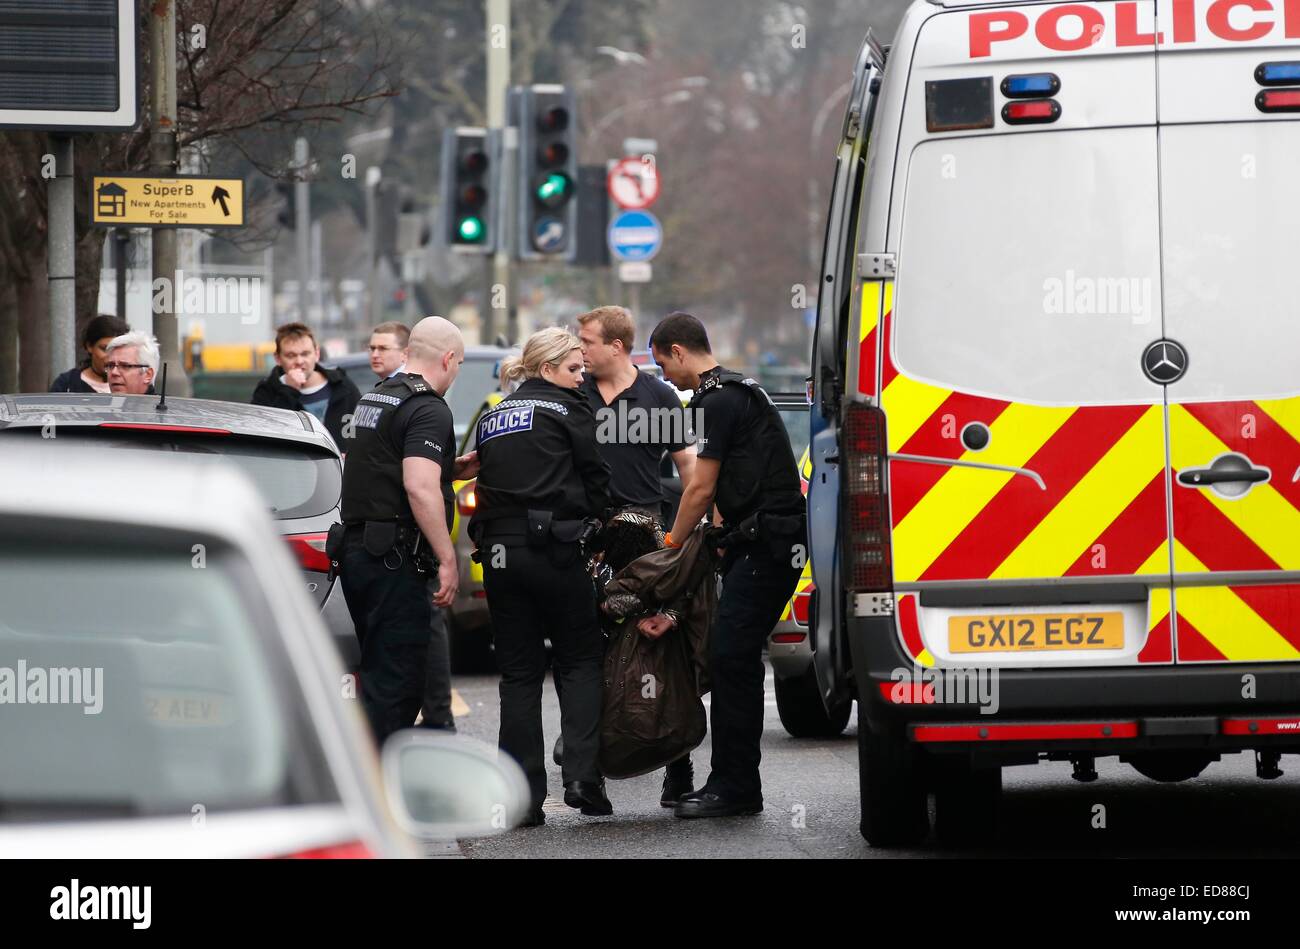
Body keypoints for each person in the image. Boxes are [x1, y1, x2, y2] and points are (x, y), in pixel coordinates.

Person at [650, 311, 805, 819]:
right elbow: (736, 480)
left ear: (678, 350)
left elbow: (701, 484)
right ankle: (735, 783)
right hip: (759, 544)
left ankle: (735, 787)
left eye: (663, 365)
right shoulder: (740, 391)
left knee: (732, 658)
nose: (666, 378)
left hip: (767, 549)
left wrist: (672, 543)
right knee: (730, 658)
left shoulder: (719, 399)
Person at [469, 327, 613, 828]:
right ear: (548, 369)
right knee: (578, 661)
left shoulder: (492, 416)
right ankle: (581, 777)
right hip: (557, 550)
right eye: (575, 369)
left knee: (519, 674)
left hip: (501, 556)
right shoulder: (570, 411)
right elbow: (598, 481)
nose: (581, 378)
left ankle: (524, 798)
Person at [575, 305, 699, 806]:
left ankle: (679, 769)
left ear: (617, 347)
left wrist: (690, 537)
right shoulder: (574, 393)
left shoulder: (658, 394)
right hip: (587, 537)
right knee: (590, 651)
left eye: (587, 341)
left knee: (658, 648)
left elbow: (688, 464)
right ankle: (589, 775)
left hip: (645, 537)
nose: (579, 349)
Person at [337, 316, 478, 745]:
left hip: (359, 554)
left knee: (378, 674)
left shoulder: (376, 397)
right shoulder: (428, 408)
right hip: (395, 561)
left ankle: (369, 776)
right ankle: (379, 791)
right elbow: (418, 487)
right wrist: (448, 557)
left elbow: (386, 466)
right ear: (449, 359)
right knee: (398, 684)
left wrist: (451, 469)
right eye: (458, 366)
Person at [251, 322, 360, 447]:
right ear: (278, 359)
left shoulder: (342, 385)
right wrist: (289, 390)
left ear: (317, 354)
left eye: (305, 354)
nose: (299, 361)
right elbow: (264, 435)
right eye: (291, 356)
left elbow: (360, 431)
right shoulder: (267, 390)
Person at [50, 315, 131, 393]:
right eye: (104, 349)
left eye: (117, 350)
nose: (110, 357)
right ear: (89, 346)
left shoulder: (135, 382)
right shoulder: (67, 384)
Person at [104, 331, 160, 396]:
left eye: (125, 366)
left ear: (148, 375)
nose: (114, 372)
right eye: (111, 366)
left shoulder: (166, 405)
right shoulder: (98, 404)